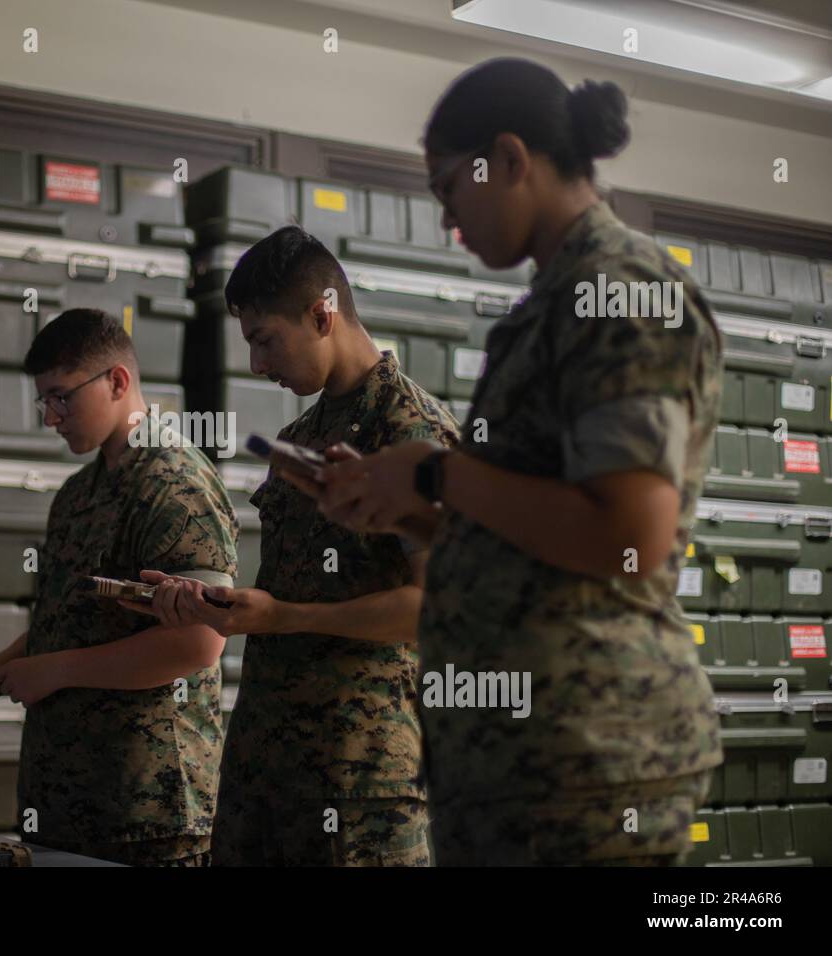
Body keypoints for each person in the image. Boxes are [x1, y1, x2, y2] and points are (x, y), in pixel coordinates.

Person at [311, 58, 723, 865]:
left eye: (447, 190)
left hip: (589, 757)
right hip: (520, 758)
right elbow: (537, 526)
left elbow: (626, 534)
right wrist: (402, 503)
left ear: (508, 159)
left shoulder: (621, 290)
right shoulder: (556, 300)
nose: (446, 220)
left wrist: (435, 472)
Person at [136, 227, 460, 865]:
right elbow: (288, 593)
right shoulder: (300, 435)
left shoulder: (411, 429)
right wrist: (215, 606)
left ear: (322, 313)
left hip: (361, 779)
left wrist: (286, 617)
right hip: (265, 765)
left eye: (265, 340)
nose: (256, 364)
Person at [0, 308, 238, 866]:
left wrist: (55, 672)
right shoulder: (78, 493)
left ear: (117, 382)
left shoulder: (175, 482)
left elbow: (201, 642)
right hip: (65, 805)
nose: (50, 417)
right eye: (43, 401)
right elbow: (65, 624)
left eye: (61, 397)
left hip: (147, 810)